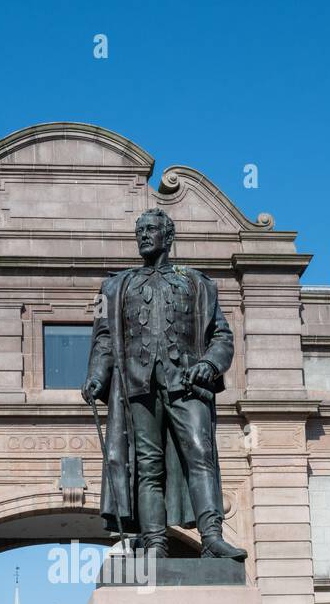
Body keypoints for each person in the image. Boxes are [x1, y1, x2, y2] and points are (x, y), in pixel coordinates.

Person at [82, 207, 246, 560]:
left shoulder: (198, 283)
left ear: (168, 237)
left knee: (201, 455)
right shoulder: (113, 287)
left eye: (151, 229)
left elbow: (222, 337)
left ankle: (212, 538)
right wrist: (97, 375)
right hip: (137, 386)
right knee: (147, 465)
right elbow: (104, 338)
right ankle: (155, 542)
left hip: (186, 383)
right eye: (139, 230)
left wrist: (209, 364)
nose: (143, 235)